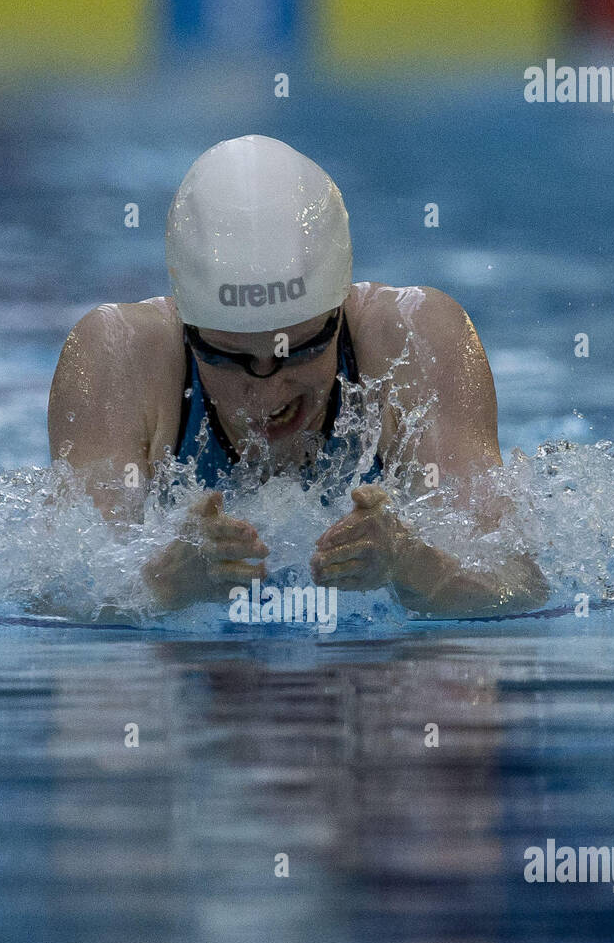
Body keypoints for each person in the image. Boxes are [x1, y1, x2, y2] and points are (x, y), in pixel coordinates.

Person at [48, 135, 547, 617]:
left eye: (300, 349)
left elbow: (517, 583)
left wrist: (412, 564)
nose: (267, 387)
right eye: (226, 355)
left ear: (338, 310)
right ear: (189, 325)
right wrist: (166, 584)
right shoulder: (119, 355)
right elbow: (57, 595)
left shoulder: (417, 338)